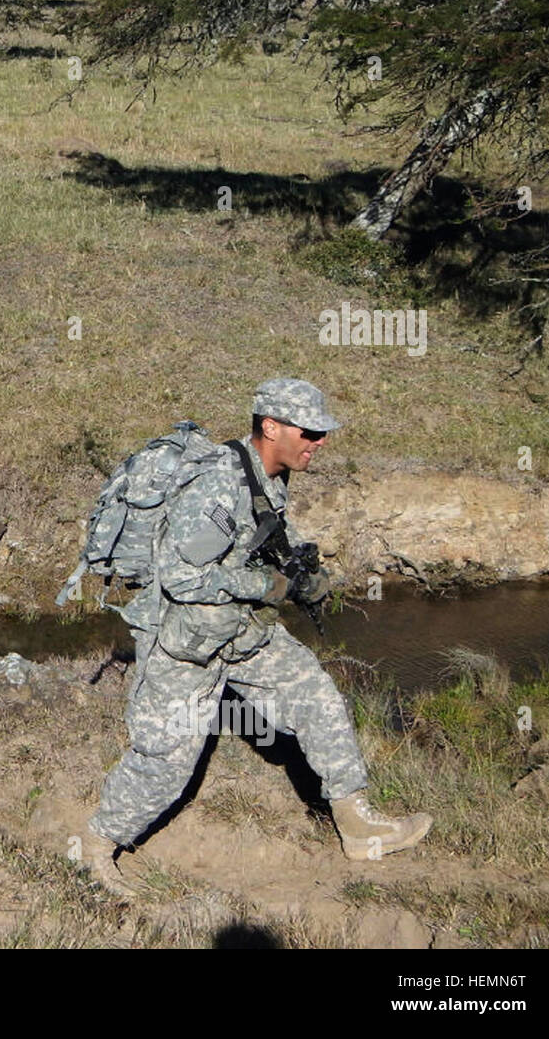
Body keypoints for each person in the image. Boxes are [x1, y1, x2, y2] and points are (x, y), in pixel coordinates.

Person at [87, 378, 432, 881]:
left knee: (316, 697)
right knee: (165, 764)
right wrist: (264, 584)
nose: (320, 442)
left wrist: (300, 573)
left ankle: (359, 825)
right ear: (271, 427)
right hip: (186, 647)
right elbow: (182, 577)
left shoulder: (266, 476)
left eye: (322, 433)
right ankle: (96, 847)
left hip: (243, 633)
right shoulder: (220, 487)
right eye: (309, 432)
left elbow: (260, 535)